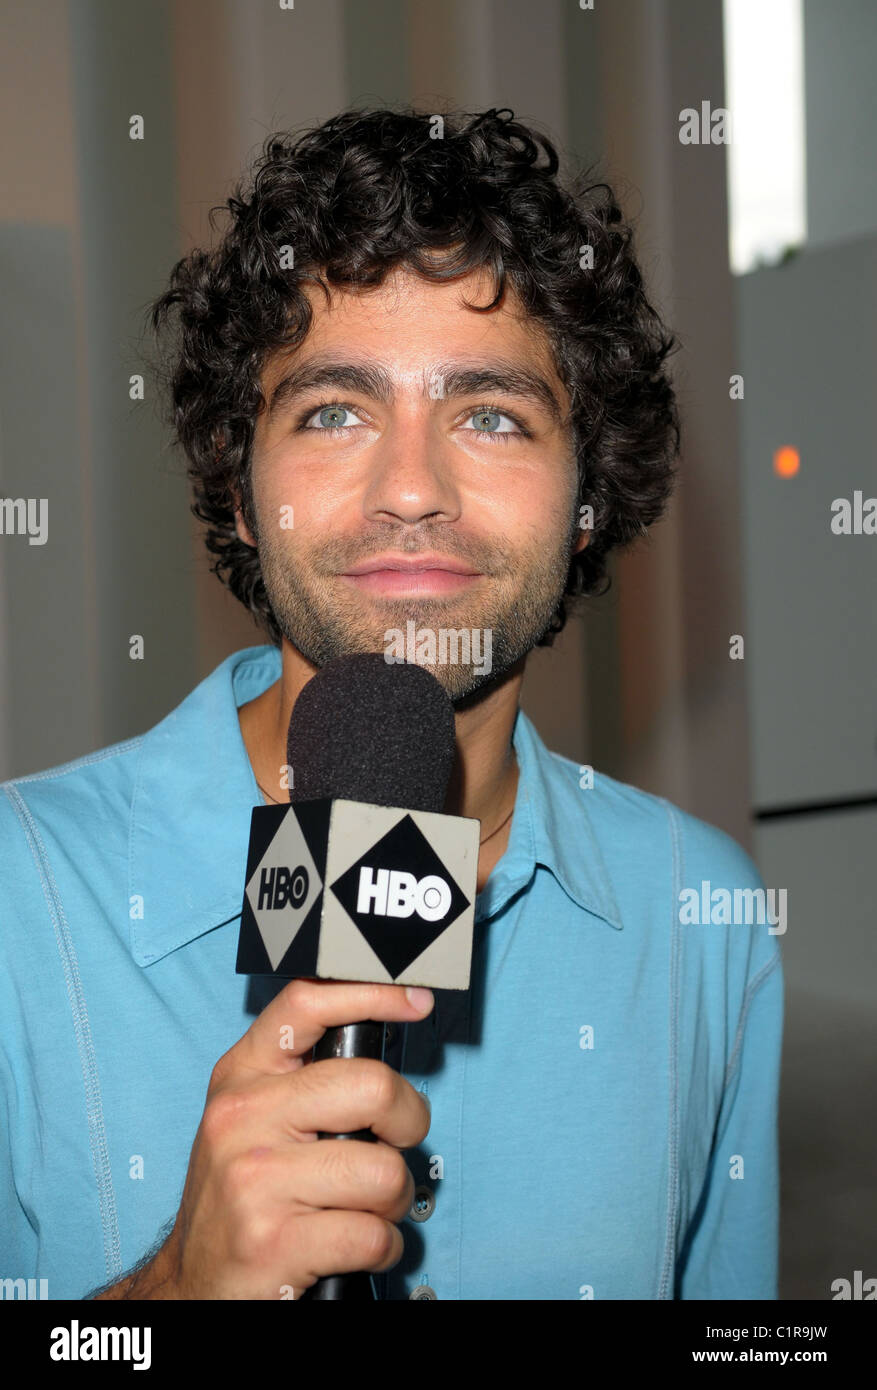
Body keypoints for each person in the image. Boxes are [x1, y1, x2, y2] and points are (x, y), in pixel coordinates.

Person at [0, 108, 782, 1300]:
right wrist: (169, 1295)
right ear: (241, 485)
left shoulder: (702, 917)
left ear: (586, 499)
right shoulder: (22, 899)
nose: (410, 488)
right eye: (334, 411)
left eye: (490, 415)